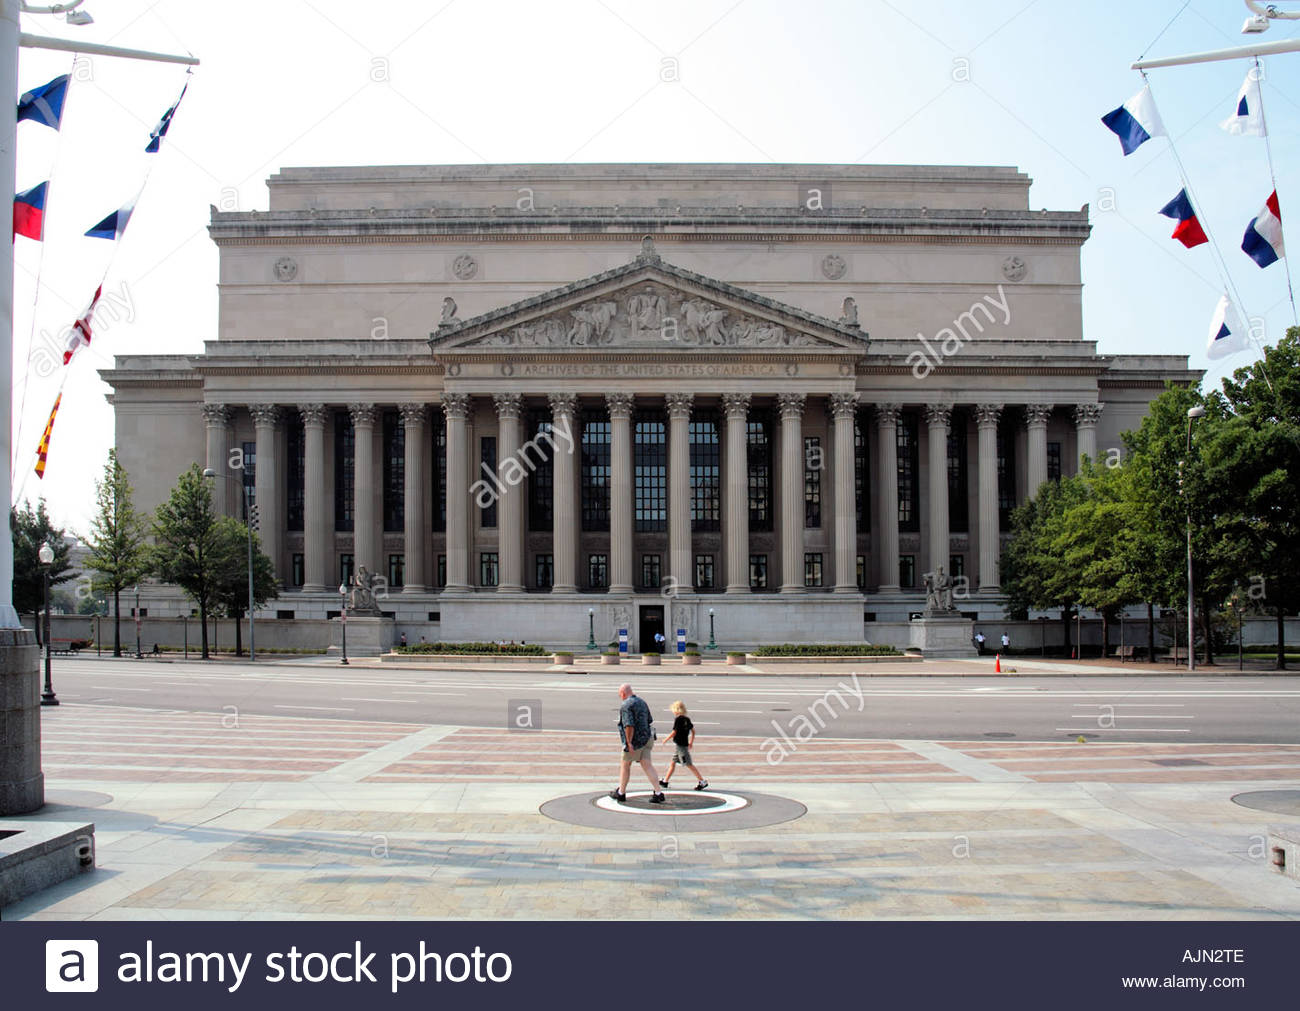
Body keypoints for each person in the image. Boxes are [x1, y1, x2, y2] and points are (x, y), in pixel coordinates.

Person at [611, 683, 664, 804]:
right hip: (647, 738)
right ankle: (658, 793)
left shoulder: (626, 705)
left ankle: (621, 793)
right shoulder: (642, 701)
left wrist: (629, 742)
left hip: (635, 742)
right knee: (647, 765)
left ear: (623, 694)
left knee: (625, 765)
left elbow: (629, 725)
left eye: (620, 695)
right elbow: (649, 719)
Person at [659, 701, 708, 791]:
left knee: (688, 764)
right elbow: (693, 731)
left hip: (681, 746)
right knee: (673, 763)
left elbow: (674, 732)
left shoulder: (678, 719)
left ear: (676, 710)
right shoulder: (687, 719)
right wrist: (691, 742)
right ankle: (665, 781)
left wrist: (666, 739)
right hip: (681, 745)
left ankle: (702, 781)